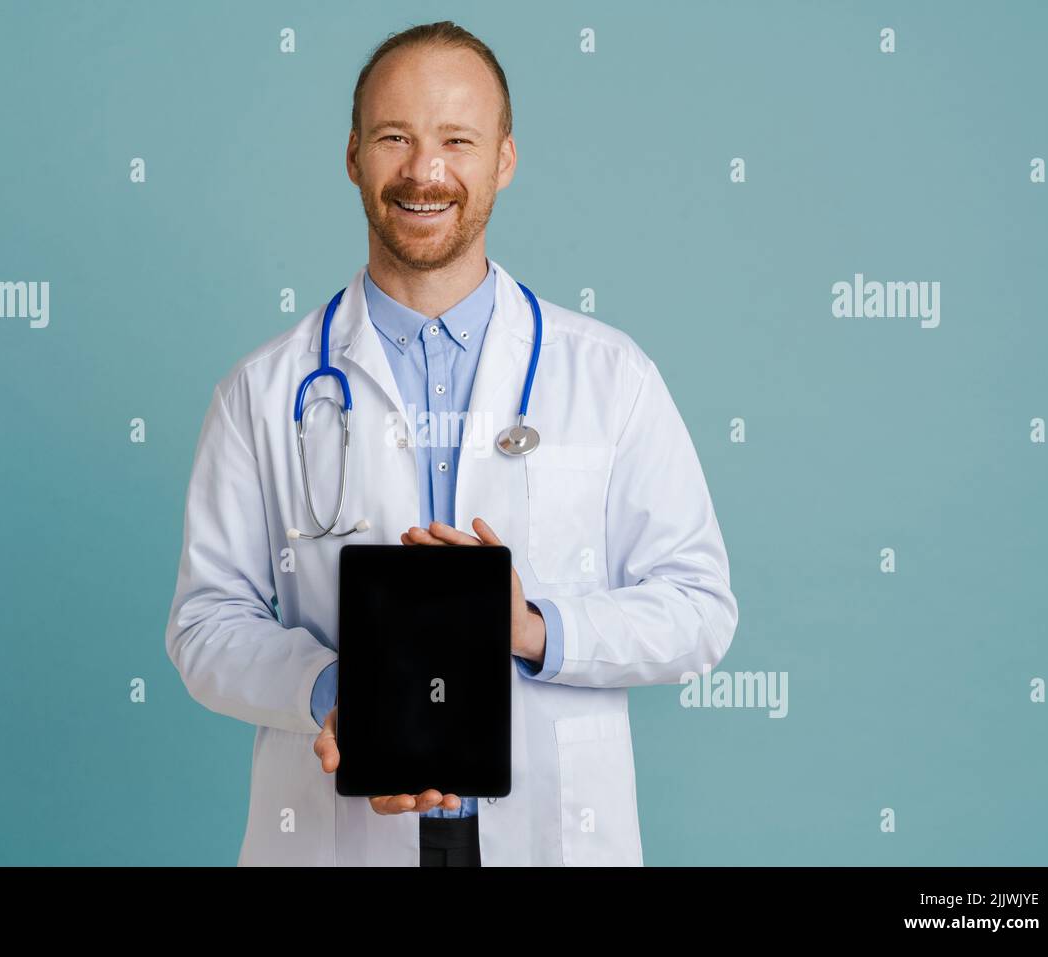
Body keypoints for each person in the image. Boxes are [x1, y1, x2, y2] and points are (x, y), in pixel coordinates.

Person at [164, 20, 738, 867]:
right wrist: (333, 688)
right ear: (353, 155)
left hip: (550, 834)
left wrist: (535, 625)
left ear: (504, 159)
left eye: (456, 140)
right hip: (339, 836)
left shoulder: (613, 377)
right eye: (395, 137)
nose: (424, 172)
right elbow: (205, 624)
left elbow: (700, 610)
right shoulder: (262, 391)